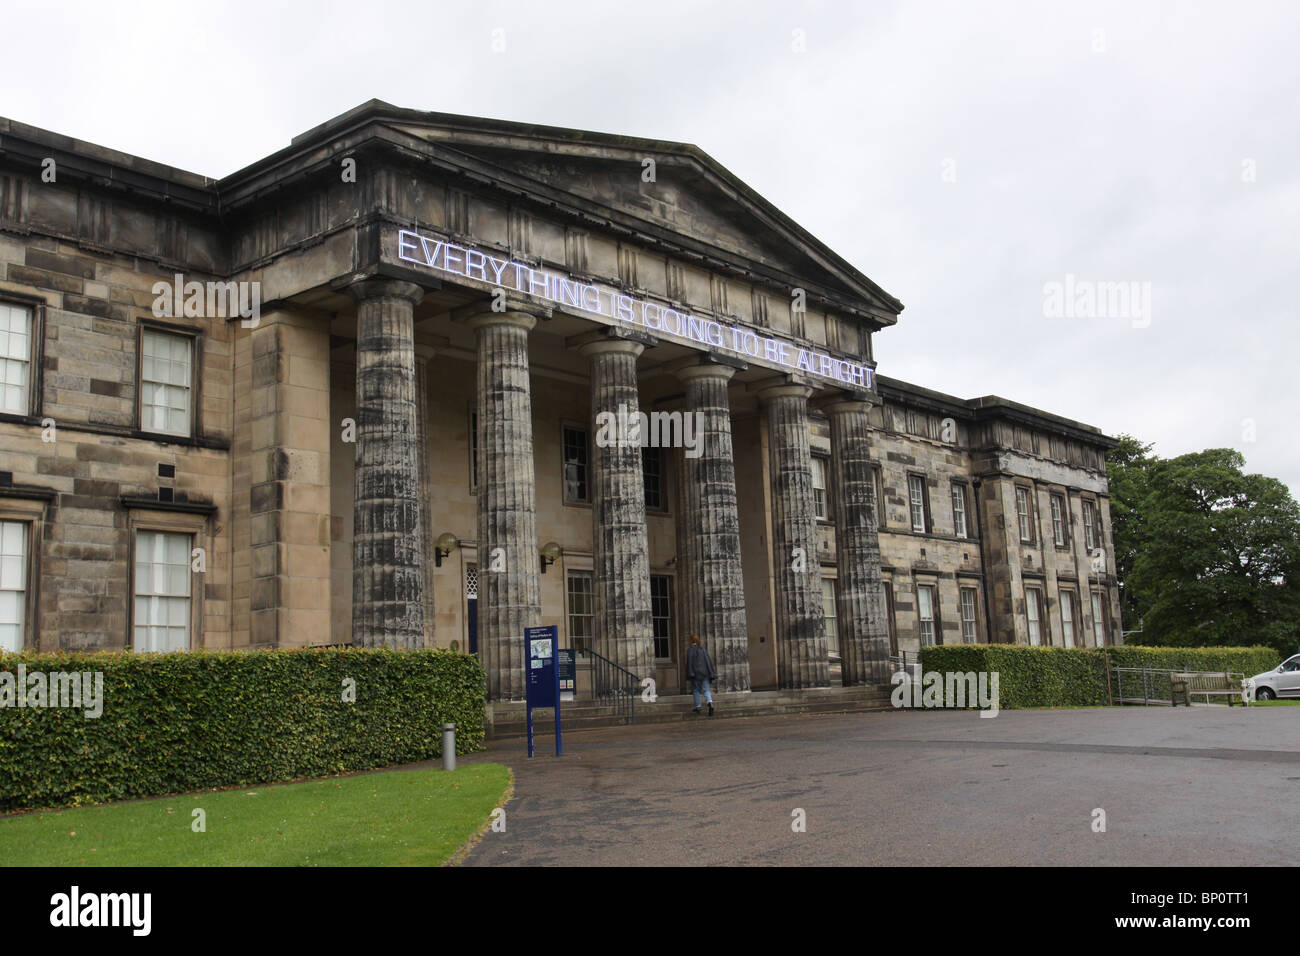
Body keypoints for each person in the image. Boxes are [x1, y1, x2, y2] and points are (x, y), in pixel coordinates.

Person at [685, 634, 717, 716]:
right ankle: (710, 703)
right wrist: (710, 672)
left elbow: (689, 663)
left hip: (695, 674)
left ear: (691, 641)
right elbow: (708, 661)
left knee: (696, 690)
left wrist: (690, 674)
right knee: (706, 690)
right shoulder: (703, 649)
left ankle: (698, 707)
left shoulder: (690, 650)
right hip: (705, 673)